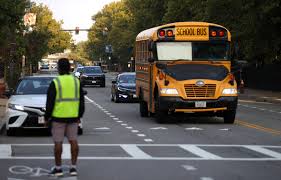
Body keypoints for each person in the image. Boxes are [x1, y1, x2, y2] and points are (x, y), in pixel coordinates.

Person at [45, 58, 85, 177]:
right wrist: (79, 116)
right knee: (73, 141)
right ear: (69, 68)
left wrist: (47, 117)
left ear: (58, 68)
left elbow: (50, 102)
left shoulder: (56, 82)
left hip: (58, 117)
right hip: (73, 117)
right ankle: (73, 168)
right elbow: (81, 102)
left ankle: (58, 169)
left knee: (58, 143)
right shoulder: (76, 82)